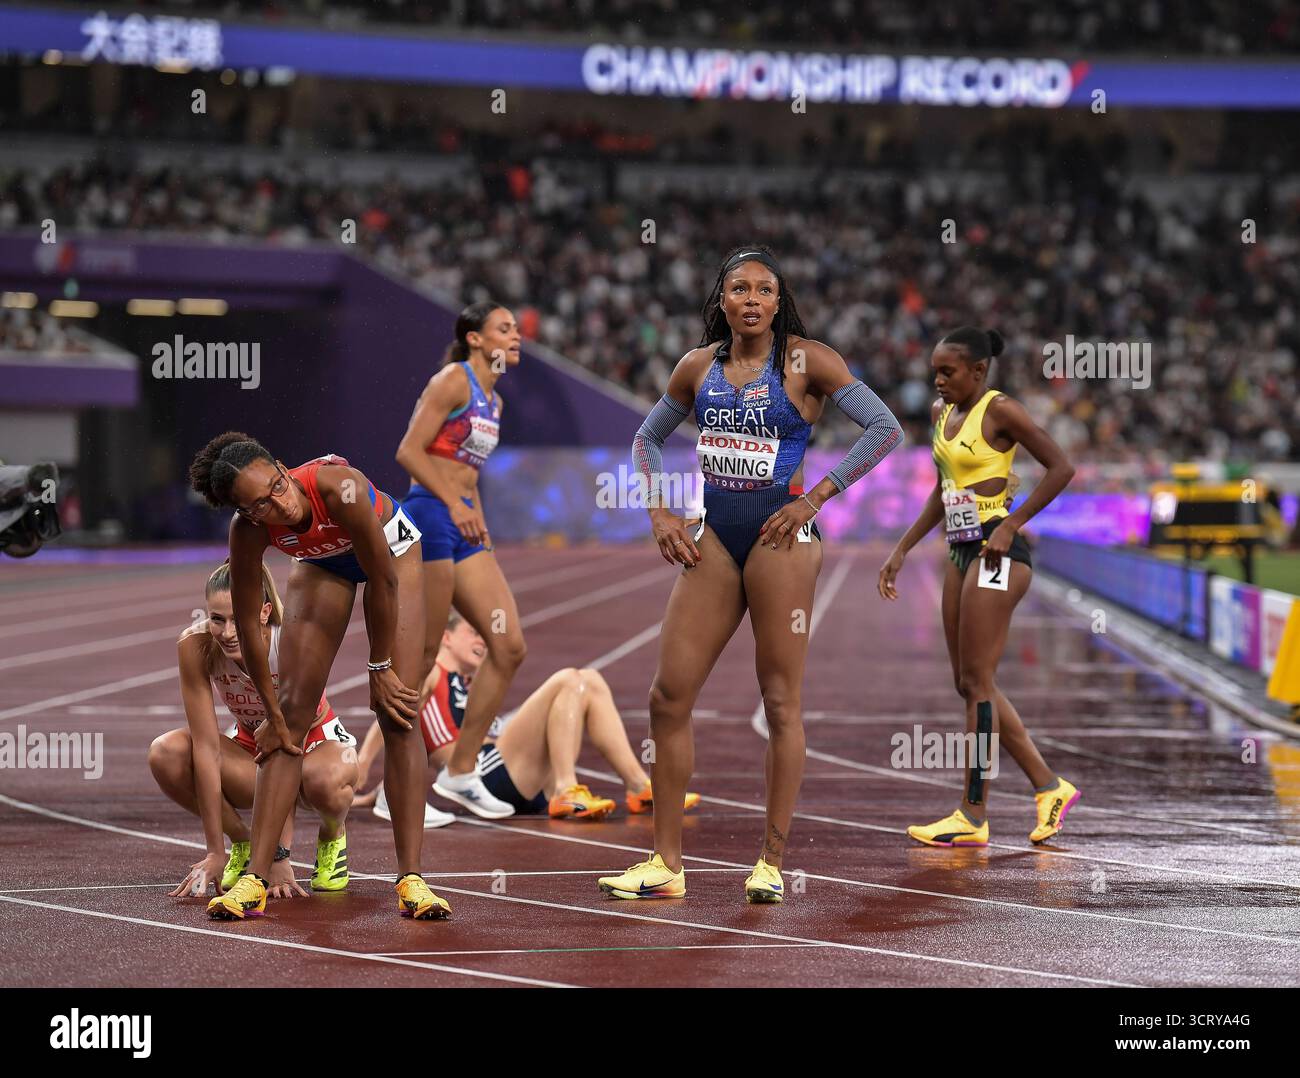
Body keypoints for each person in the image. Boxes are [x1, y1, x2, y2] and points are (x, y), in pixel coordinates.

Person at [598, 245, 903, 903]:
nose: (754, 299)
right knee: (666, 697)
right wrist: (659, 512)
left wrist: (814, 498)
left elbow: (883, 429)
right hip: (716, 539)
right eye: (741, 288)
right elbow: (646, 439)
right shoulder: (696, 366)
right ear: (724, 301)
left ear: (778, 300)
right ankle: (666, 861)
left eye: (766, 288)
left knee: (779, 702)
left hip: (781, 542)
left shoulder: (807, 360)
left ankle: (769, 861)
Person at [188, 433, 449, 920]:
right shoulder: (247, 530)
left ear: (284, 467)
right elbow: (248, 622)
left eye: (279, 485)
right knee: (290, 718)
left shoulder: (339, 488)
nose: (280, 504)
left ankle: (412, 879)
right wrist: (270, 712)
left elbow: (383, 579)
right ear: (245, 514)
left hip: (391, 556)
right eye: (262, 505)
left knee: (398, 712)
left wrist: (380, 667)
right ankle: (255, 880)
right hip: (323, 562)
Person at [877, 327, 1080, 847]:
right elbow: (943, 495)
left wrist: (1014, 524)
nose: (938, 381)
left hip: (999, 550)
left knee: (979, 683)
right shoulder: (944, 417)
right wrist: (902, 548)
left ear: (978, 371)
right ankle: (1049, 787)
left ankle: (972, 813)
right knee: (970, 684)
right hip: (961, 548)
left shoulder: (1000, 410)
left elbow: (1061, 467)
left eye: (948, 372)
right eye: (935, 373)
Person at [353, 612, 698, 818]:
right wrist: (366, 766)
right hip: (484, 774)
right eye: (473, 633)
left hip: (515, 775)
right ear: (446, 637)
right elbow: (388, 717)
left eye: (485, 637)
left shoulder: (470, 682)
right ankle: (565, 787)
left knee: (588, 680)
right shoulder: (431, 672)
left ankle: (638, 787)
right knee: (568, 679)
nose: (483, 643)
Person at [150, 562, 356, 900]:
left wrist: (278, 855)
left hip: (315, 743)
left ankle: (333, 834)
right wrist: (216, 849)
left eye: (237, 619)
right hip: (254, 746)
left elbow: (288, 744)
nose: (228, 632)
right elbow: (205, 747)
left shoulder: (288, 641)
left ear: (264, 612)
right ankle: (243, 842)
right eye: (217, 619)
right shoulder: (195, 645)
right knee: (166, 752)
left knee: (325, 783)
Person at [395, 301, 526, 818]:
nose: (516, 336)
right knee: (424, 654)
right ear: (475, 339)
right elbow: (408, 451)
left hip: (467, 524)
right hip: (430, 515)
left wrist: (483, 530)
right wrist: (452, 504)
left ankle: (460, 770)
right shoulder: (454, 380)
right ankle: (395, 789)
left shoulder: (495, 401)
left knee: (508, 645)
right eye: (504, 329)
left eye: (516, 329)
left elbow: (470, 477)